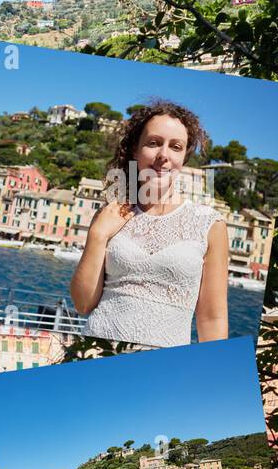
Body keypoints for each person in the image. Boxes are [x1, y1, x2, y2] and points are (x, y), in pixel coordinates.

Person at [69, 99, 229, 348]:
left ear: (183, 158)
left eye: (175, 147)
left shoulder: (209, 224)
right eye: (153, 143)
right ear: (135, 150)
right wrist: (98, 235)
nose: (163, 155)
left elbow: (212, 318)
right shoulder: (110, 215)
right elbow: (83, 304)